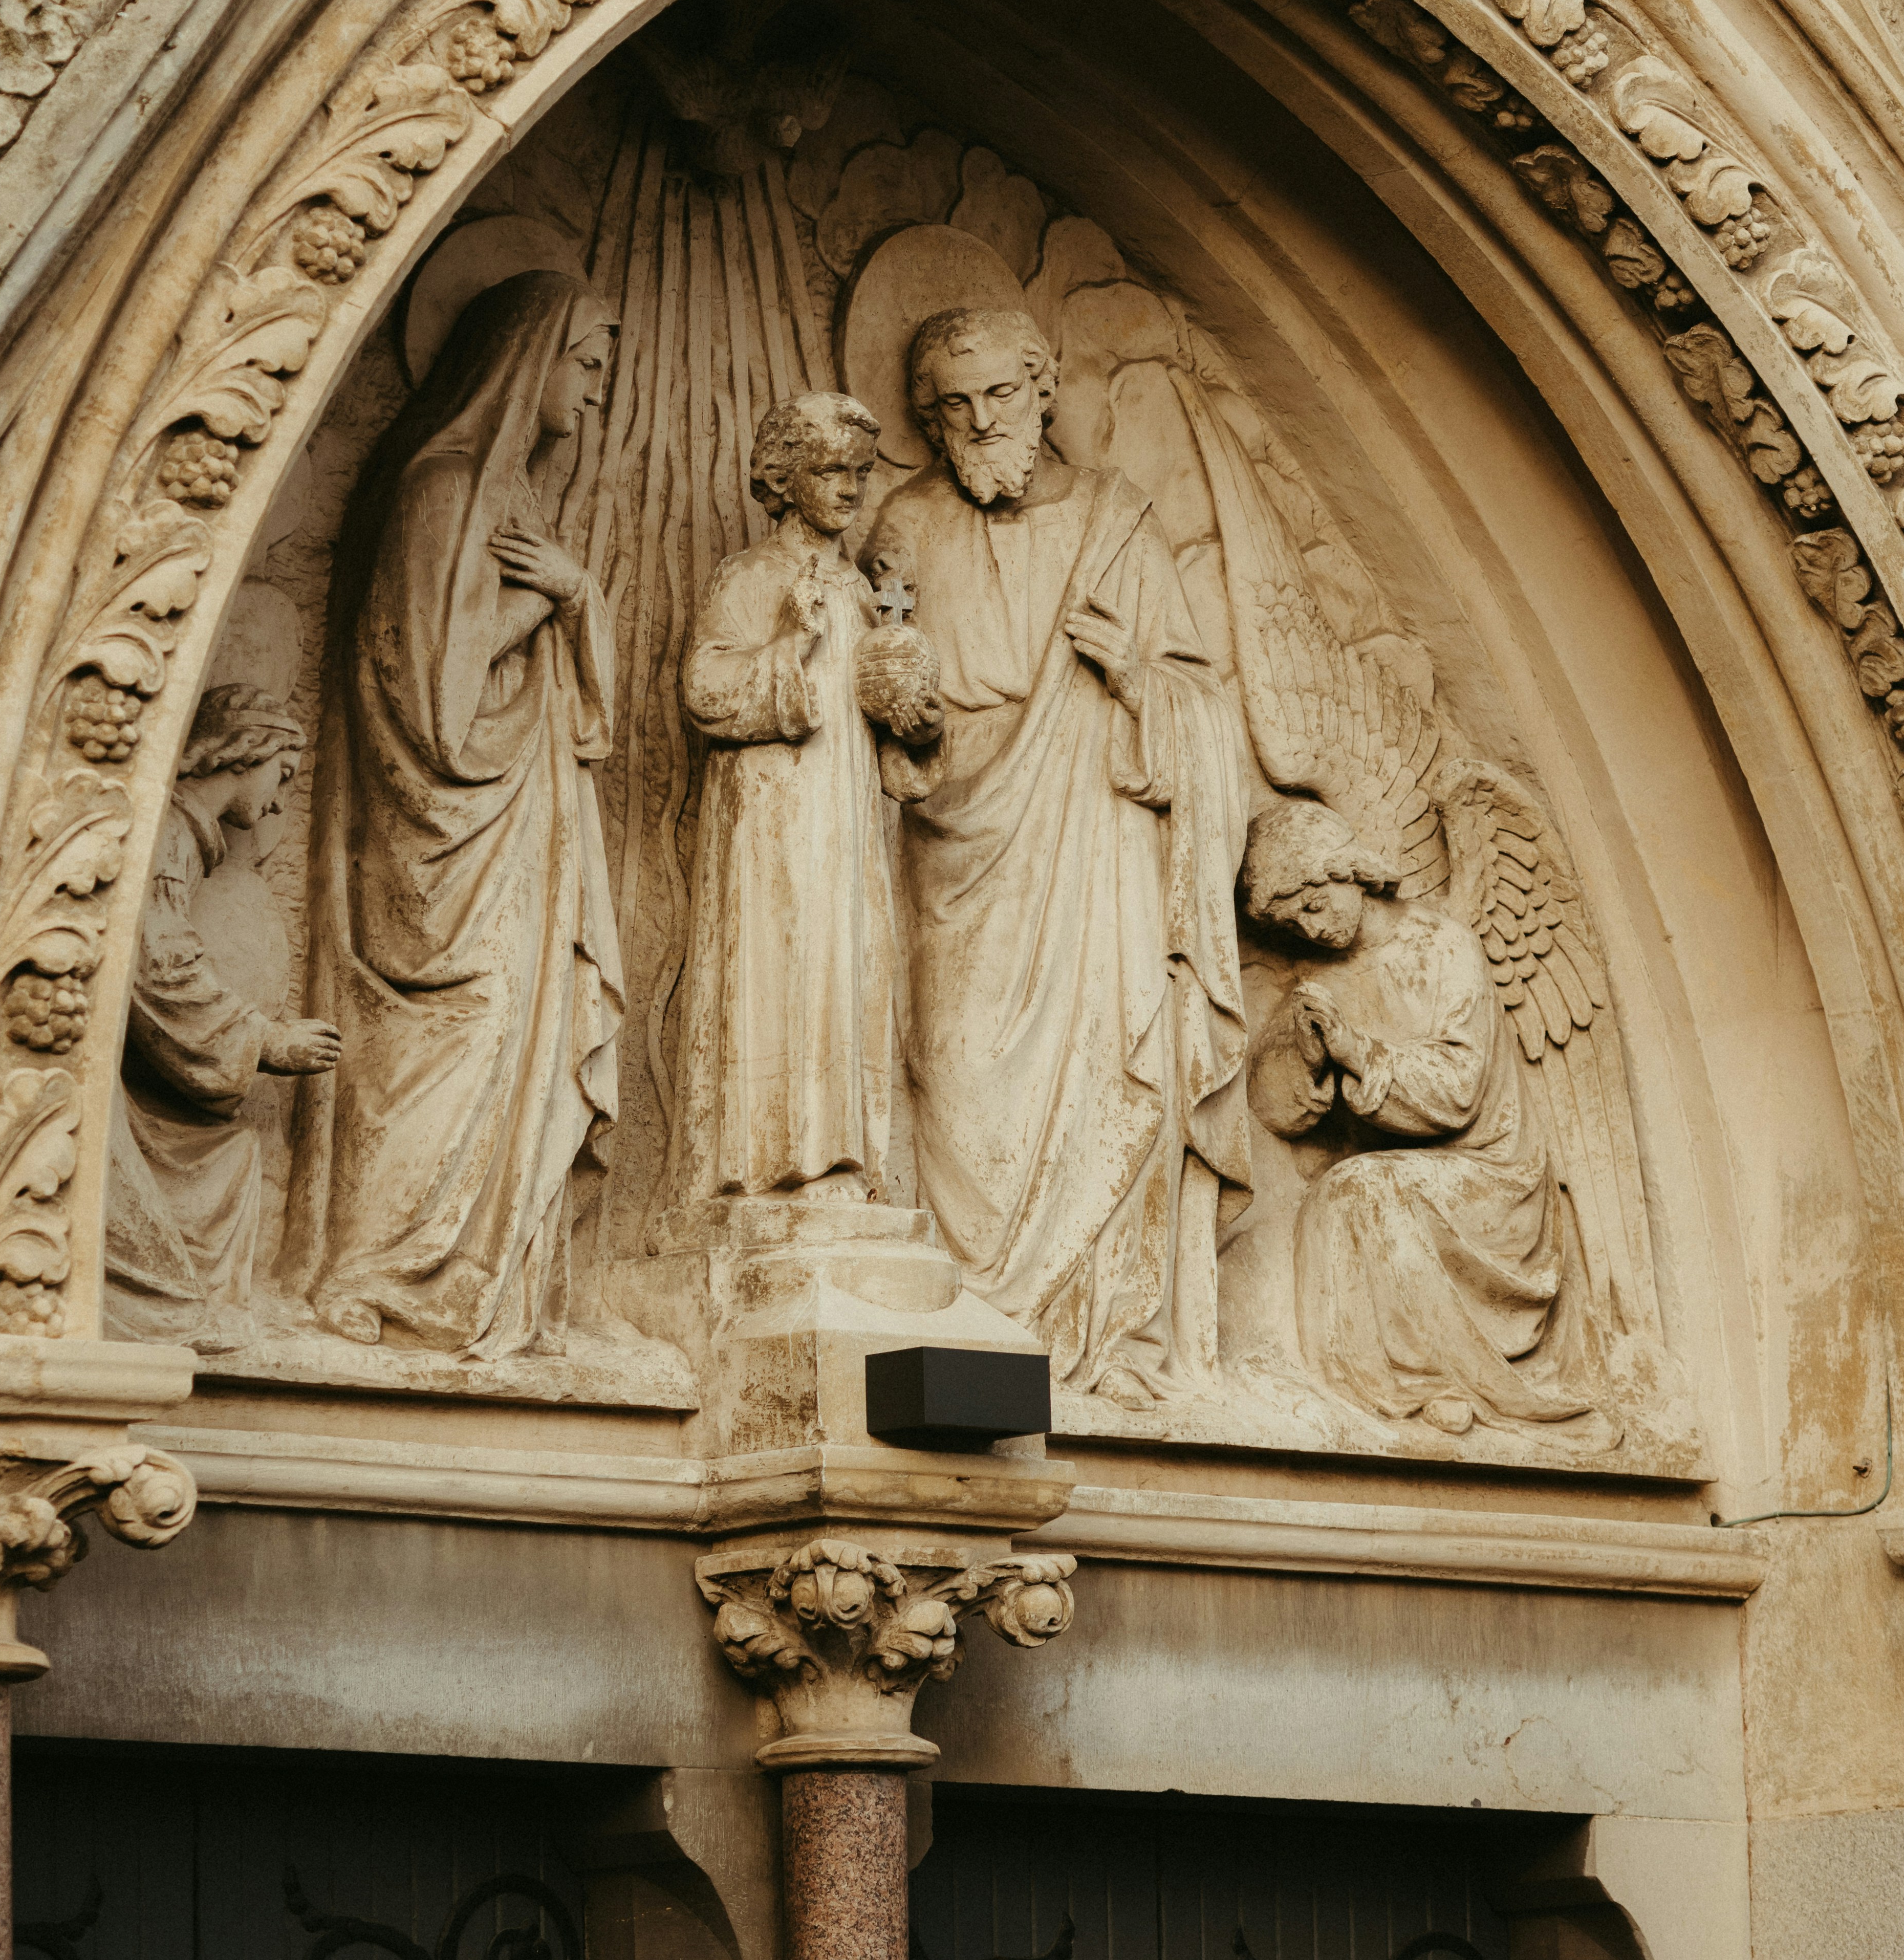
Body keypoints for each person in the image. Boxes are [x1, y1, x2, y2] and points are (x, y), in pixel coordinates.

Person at [865, 304, 1248, 1401]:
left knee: (1110, 1068)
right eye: (949, 405)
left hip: (1096, 840)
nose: (975, 422)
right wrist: (902, 716)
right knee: (949, 1068)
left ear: (1043, 387)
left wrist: (1136, 675)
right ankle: (959, 1318)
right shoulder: (903, 525)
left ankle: (1108, 1331)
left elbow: (1200, 717)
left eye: (996, 394)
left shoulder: (1115, 523)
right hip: (947, 839)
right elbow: (871, 682)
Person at [287, 274, 621, 1358]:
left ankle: (481, 1276)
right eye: (587, 357)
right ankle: (376, 1268)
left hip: (523, 826)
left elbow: (578, 716)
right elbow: (436, 700)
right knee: (459, 1030)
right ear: (529, 360)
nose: (598, 383)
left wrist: (574, 597)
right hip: (443, 843)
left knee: (512, 1035)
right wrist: (553, 598)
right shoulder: (439, 492)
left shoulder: (516, 506)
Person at [1242, 796, 1608, 1442]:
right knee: (1346, 1193)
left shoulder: (1441, 946)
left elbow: (1458, 1092)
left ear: (1349, 873)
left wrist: (1357, 1052)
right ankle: (1392, 1388)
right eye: (1294, 917)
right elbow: (1276, 1111)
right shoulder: (1316, 978)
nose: (1310, 925)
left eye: (1314, 901)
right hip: (1403, 1176)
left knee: (1361, 1191)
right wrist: (1301, 1058)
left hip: (1491, 1177)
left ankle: (1441, 1380)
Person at [670, 389, 940, 1208]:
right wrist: (792, 644)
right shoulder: (750, 576)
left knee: (849, 969)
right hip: (774, 822)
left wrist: (916, 725)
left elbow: (892, 745)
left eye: (861, 472)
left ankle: (846, 1162)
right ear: (783, 480)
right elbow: (706, 690)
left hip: (850, 825)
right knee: (781, 966)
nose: (851, 488)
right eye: (830, 470)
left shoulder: (866, 594)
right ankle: (770, 1167)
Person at [103, 687, 338, 1347]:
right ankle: (169, 1308)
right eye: (281, 776)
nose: (276, 803)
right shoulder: (168, 831)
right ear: (243, 751)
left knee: (232, 1153)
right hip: (101, 1097)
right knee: (215, 1164)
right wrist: (265, 1038)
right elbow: (158, 964)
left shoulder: (181, 835)